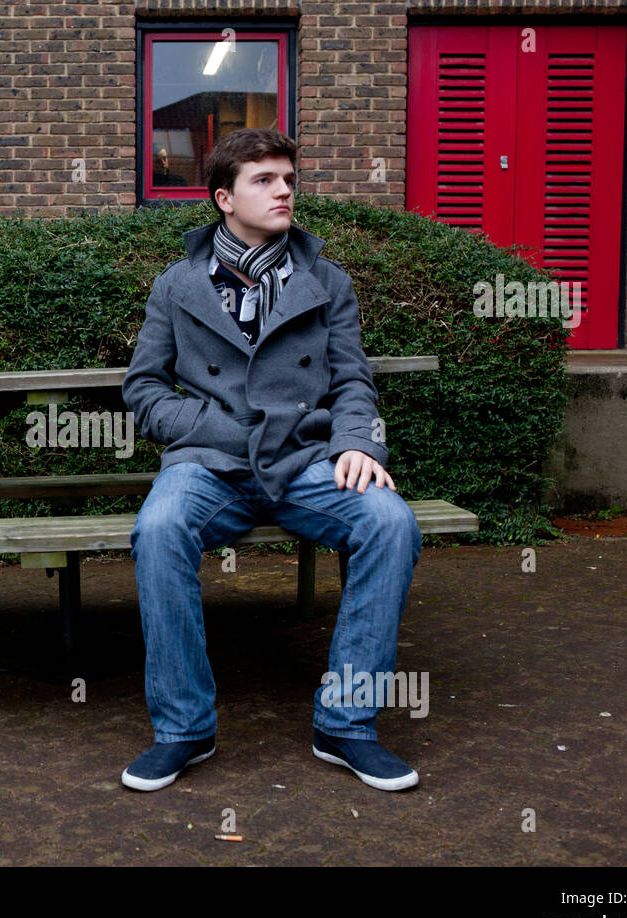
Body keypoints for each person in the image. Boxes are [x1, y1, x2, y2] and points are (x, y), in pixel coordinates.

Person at [120, 127, 423, 793]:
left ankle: (347, 725)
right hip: (210, 466)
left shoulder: (327, 282)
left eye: (288, 177)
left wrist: (357, 444)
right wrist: (211, 427)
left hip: (305, 462)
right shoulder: (176, 286)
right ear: (224, 198)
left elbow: (351, 383)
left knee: (390, 522)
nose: (284, 190)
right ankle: (183, 728)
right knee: (159, 528)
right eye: (264, 179)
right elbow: (142, 390)